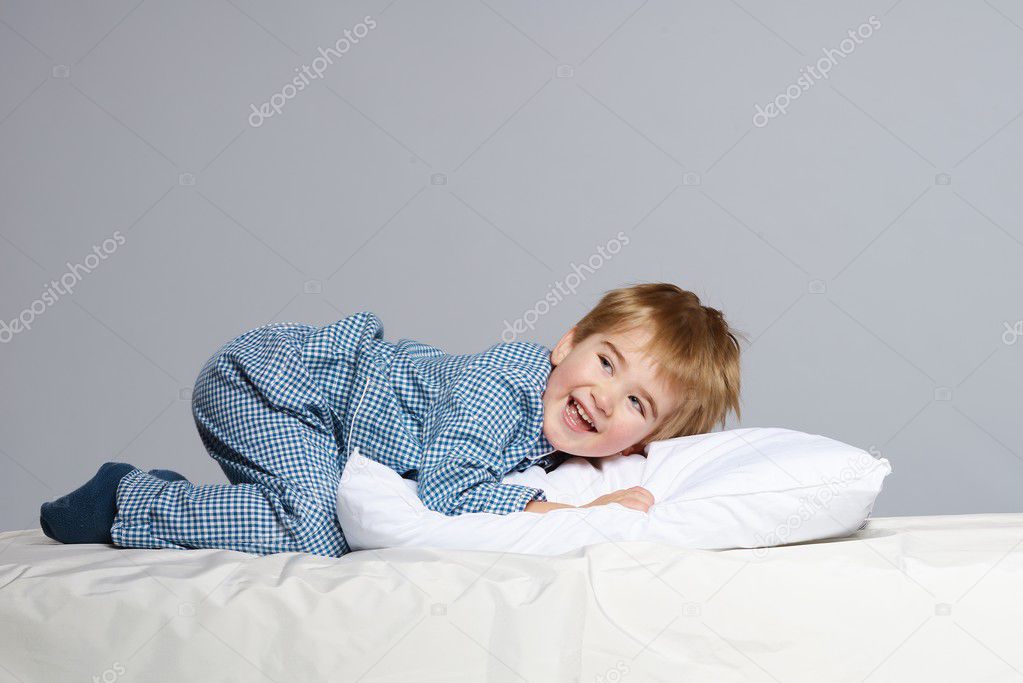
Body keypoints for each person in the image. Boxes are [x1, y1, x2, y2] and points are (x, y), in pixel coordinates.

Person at [39, 283, 743, 557]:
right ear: (566, 343)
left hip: (314, 416)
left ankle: (188, 504)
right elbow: (446, 489)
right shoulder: (504, 385)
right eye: (606, 362)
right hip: (273, 381)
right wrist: (547, 507)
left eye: (637, 405)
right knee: (317, 528)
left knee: (315, 512)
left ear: (647, 438)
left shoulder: (567, 441)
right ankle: (128, 499)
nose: (603, 397)